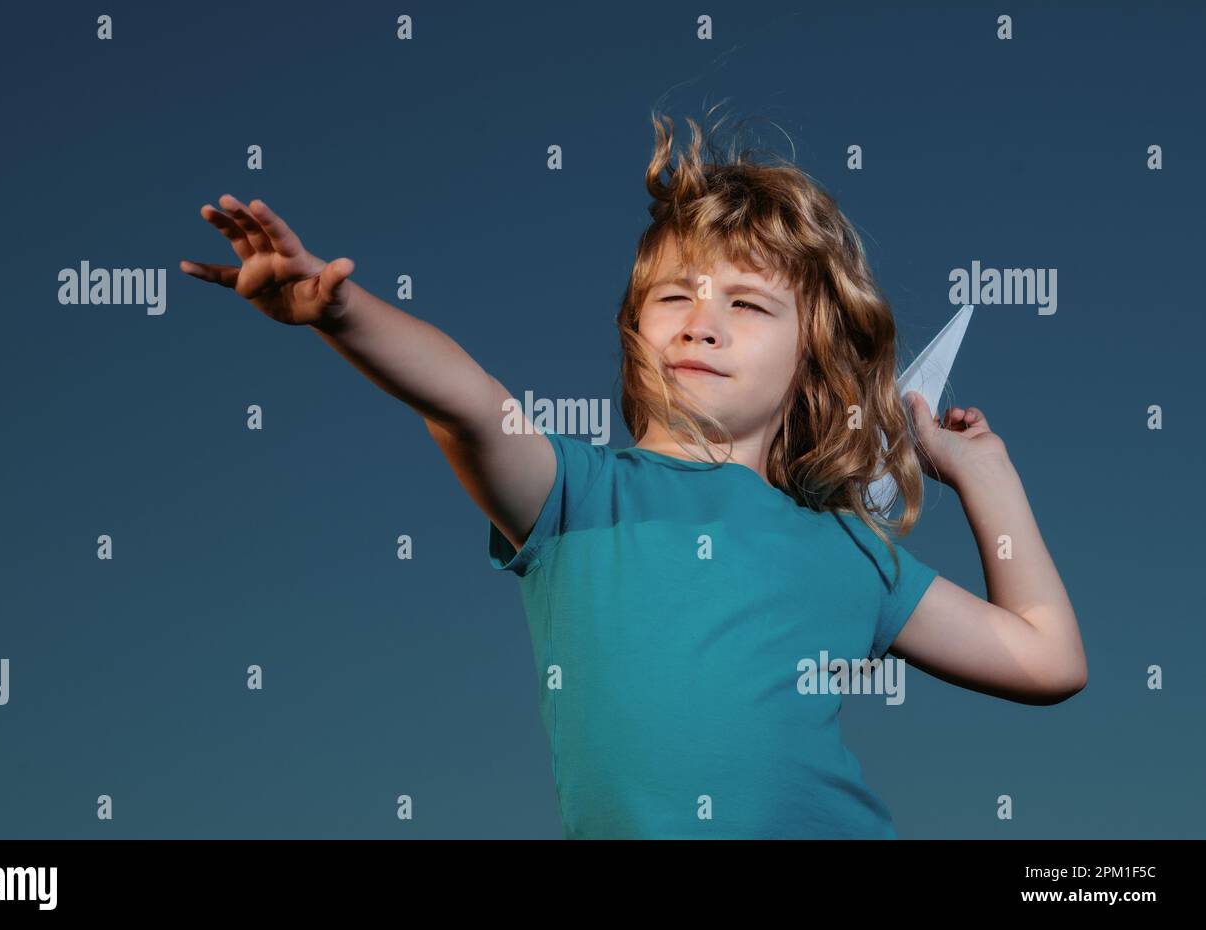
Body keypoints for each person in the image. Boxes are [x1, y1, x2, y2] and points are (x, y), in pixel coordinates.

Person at [180, 108, 1087, 839]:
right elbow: (464, 398)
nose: (701, 323)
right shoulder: (575, 496)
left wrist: (986, 474)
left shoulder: (850, 550)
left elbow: (1047, 659)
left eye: (746, 303)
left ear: (811, 362)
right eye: (673, 296)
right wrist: (342, 313)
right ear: (633, 335)